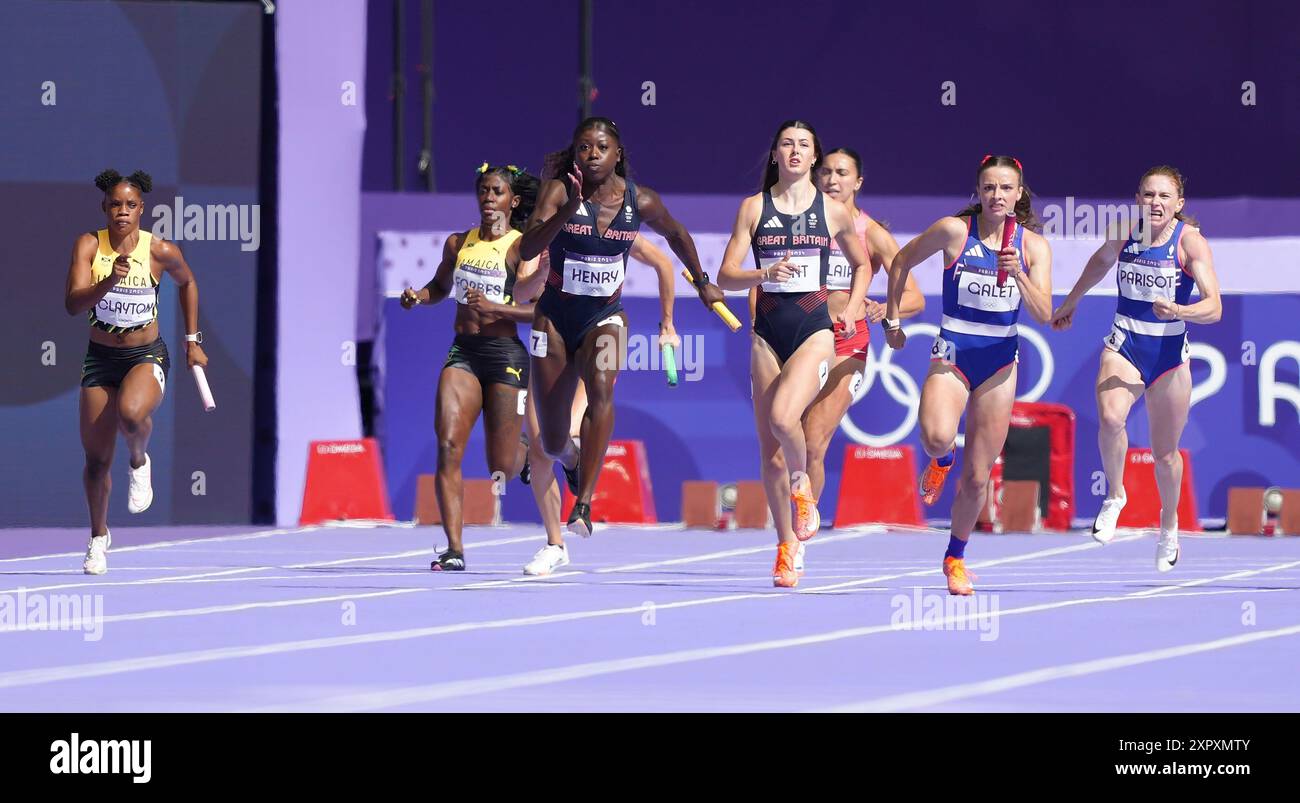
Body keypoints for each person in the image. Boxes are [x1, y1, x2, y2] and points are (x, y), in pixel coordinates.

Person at [519, 116, 725, 539]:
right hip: (554, 320)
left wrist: (703, 282)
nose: (591, 156)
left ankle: (584, 504)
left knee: (601, 385)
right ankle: (573, 462)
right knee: (553, 442)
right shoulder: (558, 191)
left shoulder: (640, 201)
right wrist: (568, 212)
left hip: (605, 319)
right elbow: (528, 245)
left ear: (618, 155)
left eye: (600, 148)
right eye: (583, 148)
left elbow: (677, 234)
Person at [883, 155, 1053, 595]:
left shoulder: (1033, 247)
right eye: (989, 188)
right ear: (978, 192)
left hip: (1000, 359)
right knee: (938, 435)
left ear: (1018, 195)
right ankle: (941, 461)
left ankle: (955, 557)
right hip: (954, 349)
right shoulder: (954, 231)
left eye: (1005, 188)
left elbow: (1045, 312)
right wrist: (893, 318)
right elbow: (901, 260)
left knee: (978, 477)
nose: (997, 196)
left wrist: (1019, 276)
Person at [717, 120, 871, 588]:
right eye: (787, 144)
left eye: (805, 145)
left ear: (814, 156)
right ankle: (786, 547)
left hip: (814, 329)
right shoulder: (752, 209)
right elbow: (725, 275)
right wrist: (763, 274)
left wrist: (856, 308)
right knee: (770, 452)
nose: (796, 151)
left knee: (786, 420)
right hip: (767, 333)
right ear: (775, 155)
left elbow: (863, 264)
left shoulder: (833, 211)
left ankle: (803, 486)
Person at [1051, 166, 1220, 571]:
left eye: (1164, 196)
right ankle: (1114, 494)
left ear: (1179, 204)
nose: (1155, 203)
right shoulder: (1127, 231)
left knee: (1164, 454)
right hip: (1125, 341)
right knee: (1110, 418)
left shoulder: (1190, 243)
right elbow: (1099, 263)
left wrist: (1179, 309)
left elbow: (1214, 306)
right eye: (1148, 195)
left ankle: (1169, 524)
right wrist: (1072, 301)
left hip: (1167, 355)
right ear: (1138, 198)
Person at [64, 169, 208, 575]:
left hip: (146, 354)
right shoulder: (89, 246)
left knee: (131, 413)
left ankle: (140, 460)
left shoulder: (160, 250)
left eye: (130, 205)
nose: (122, 212)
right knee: (95, 461)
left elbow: (188, 282)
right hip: (100, 358)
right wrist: (108, 281)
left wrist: (193, 340)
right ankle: (98, 538)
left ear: (141, 209)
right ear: (104, 208)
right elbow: (73, 304)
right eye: (115, 205)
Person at [399, 164, 539, 571]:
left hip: (505, 355)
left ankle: (525, 456)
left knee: (502, 466)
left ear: (513, 201)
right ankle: (454, 548)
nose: (488, 197)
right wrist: (418, 297)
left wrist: (496, 307)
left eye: (497, 191)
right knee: (447, 447)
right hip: (463, 353)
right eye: (483, 190)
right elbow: (441, 287)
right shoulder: (458, 242)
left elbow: (538, 311)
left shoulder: (522, 248)